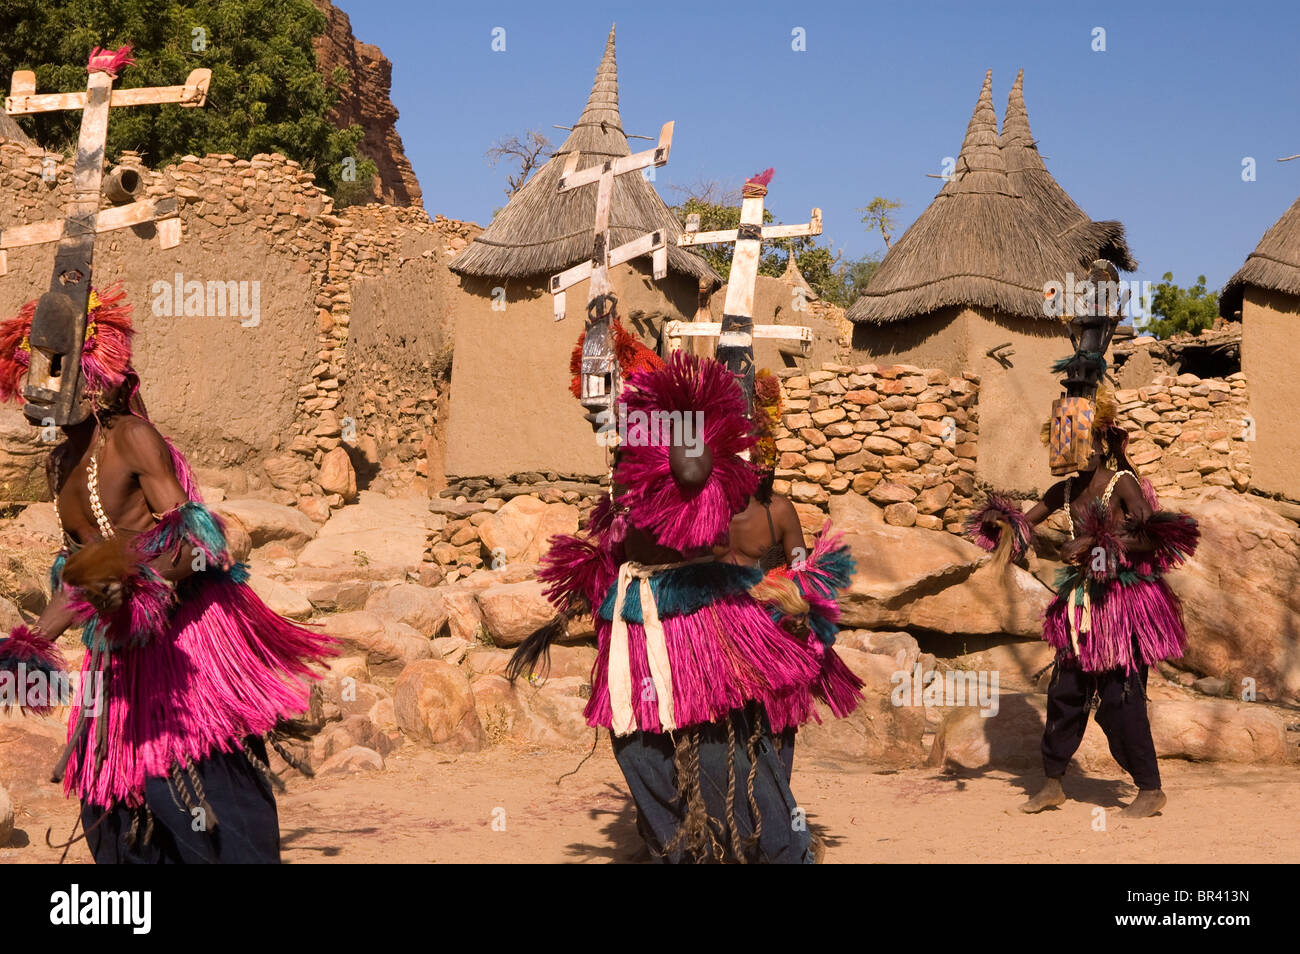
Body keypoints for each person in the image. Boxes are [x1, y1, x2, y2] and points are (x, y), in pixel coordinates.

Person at [0, 285, 337, 862]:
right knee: (109, 802)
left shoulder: (131, 439)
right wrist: (28, 644)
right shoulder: (59, 463)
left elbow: (198, 543)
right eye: (36, 371)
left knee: (200, 792)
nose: (44, 387)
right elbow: (82, 578)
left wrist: (139, 582)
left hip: (184, 650)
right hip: (120, 653)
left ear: (90, 373)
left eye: (57, 369)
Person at [509, 332, 861, 863]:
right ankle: (683, 848)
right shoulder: (631, 448)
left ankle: (768, 848)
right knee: (640, 747)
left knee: (733, 753)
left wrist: (683, 408)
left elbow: (694, 473)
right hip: (639, 616)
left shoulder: (687, 448)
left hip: (699, 612)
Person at [966, 389, 1198, 819]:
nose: (1081, 452)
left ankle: (1149, 788)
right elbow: (1023, 526)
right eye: (1071, 445)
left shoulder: (1121, 483)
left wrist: (1096, 540)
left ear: (1101, 440)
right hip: (1081, 607)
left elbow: (1154, 537)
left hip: (1125, 606)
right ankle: (1052, 782)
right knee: (1064, 693)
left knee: (1121, 700)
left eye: (1086, 442)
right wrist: (998, 521)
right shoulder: (1064, 489)